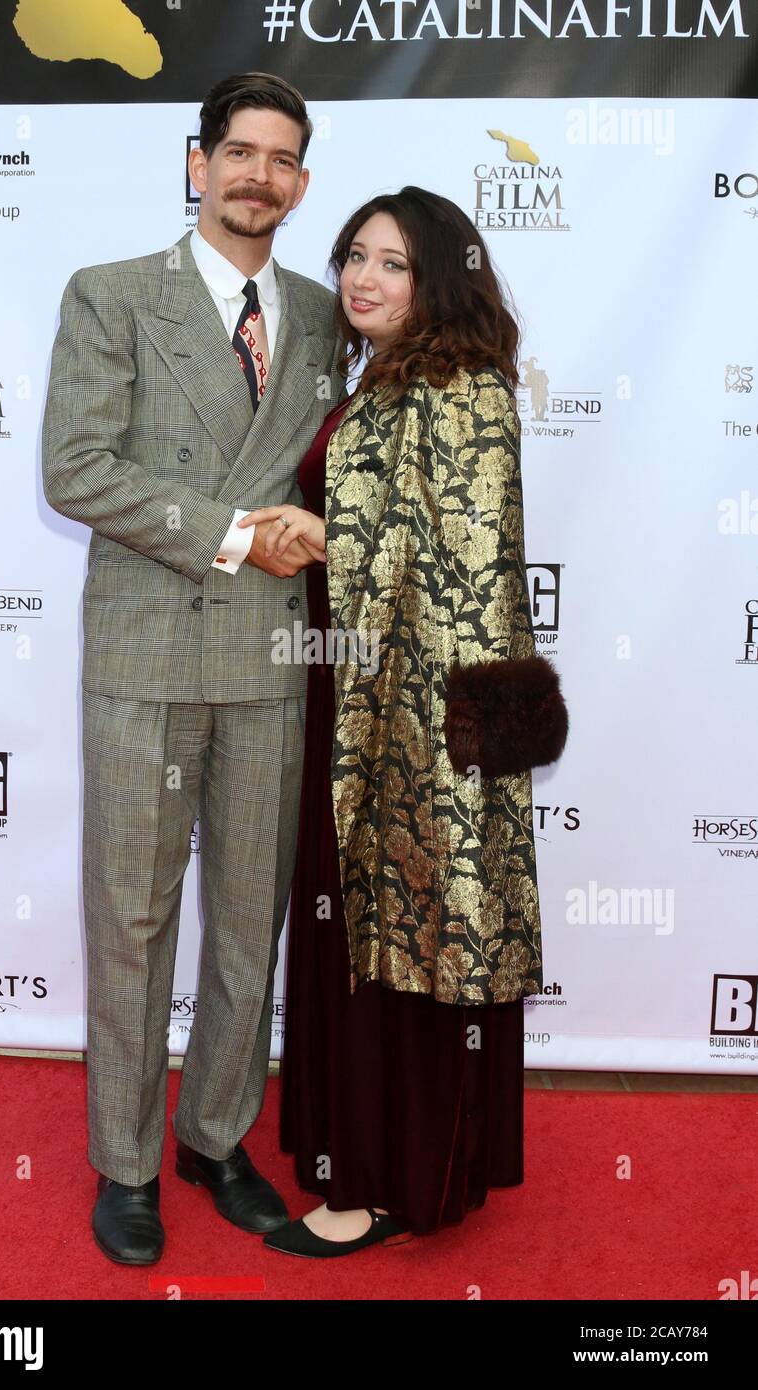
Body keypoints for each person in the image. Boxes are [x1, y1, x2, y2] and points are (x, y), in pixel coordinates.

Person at [41, 72, 346, 1265]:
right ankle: (123, 1163)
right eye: (238, 153)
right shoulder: (111, 296)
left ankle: (215, 1138)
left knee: (247, 922)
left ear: (300, 184)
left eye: (280, 160)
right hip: (146, 657)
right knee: (130, 921)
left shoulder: (326, 314)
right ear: (195, 162)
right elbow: (74, 469)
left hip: (272, 664)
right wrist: (235, 532)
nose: (256, 177)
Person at [238, 186, 569, 1257]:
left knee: (413, 935)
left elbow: (468, 570)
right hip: (355, 699)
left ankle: (388, 1184)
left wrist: (322, 537)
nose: (364, 280)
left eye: (393, 264)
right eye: (353, 258)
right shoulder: (379, 378)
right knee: (363, 934)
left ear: (438, 280)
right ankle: (382, 1163)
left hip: (420, 728)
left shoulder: (463, 386)